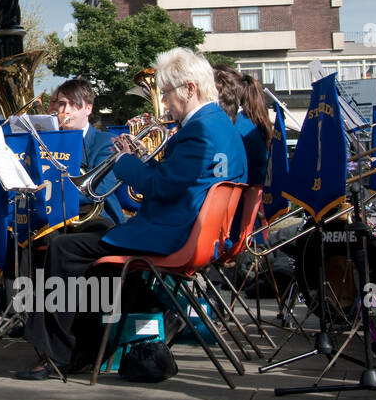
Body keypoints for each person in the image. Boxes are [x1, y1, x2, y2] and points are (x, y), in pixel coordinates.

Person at [15, 47, 246, 380]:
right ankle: (87, 349)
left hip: (173, 235)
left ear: (189, 89)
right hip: (191, 231)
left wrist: (125, 163)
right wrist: (143, 160)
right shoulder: (221, 126)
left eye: (166, 93)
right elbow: (181, 181)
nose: (164, 102)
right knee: (92, 256)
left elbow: (161, 188)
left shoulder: (199, 130)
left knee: (63, 248)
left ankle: (54, 354)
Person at [50, 78, 123, 232]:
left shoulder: (105, 142)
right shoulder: (48, 142)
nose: (66, 110)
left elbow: (100, 189)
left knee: (58, 241)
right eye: (62, 104)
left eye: (74, 104)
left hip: (95, 218)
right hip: (56, 217)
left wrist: (54, 195)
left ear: (88, 109)